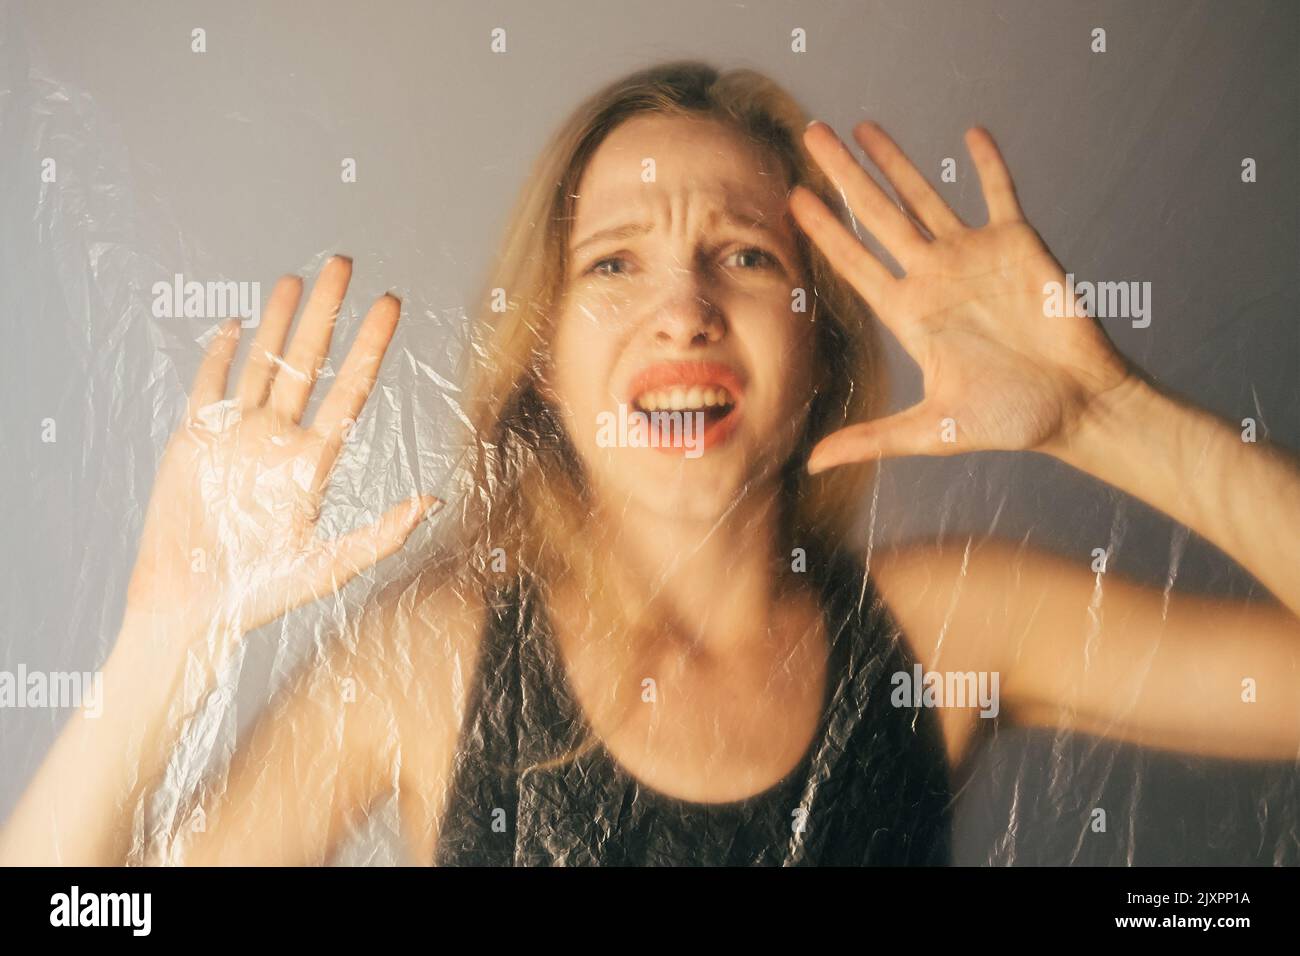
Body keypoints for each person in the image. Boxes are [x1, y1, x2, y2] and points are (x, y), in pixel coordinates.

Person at [2, 61, 1296, 866]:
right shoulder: (439, 661)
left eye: (746, 255)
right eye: (614, 261)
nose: (684, 306)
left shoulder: (951, 625)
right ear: (544, 364)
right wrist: (164, 637)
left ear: (823, 354)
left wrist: (1100, 416)